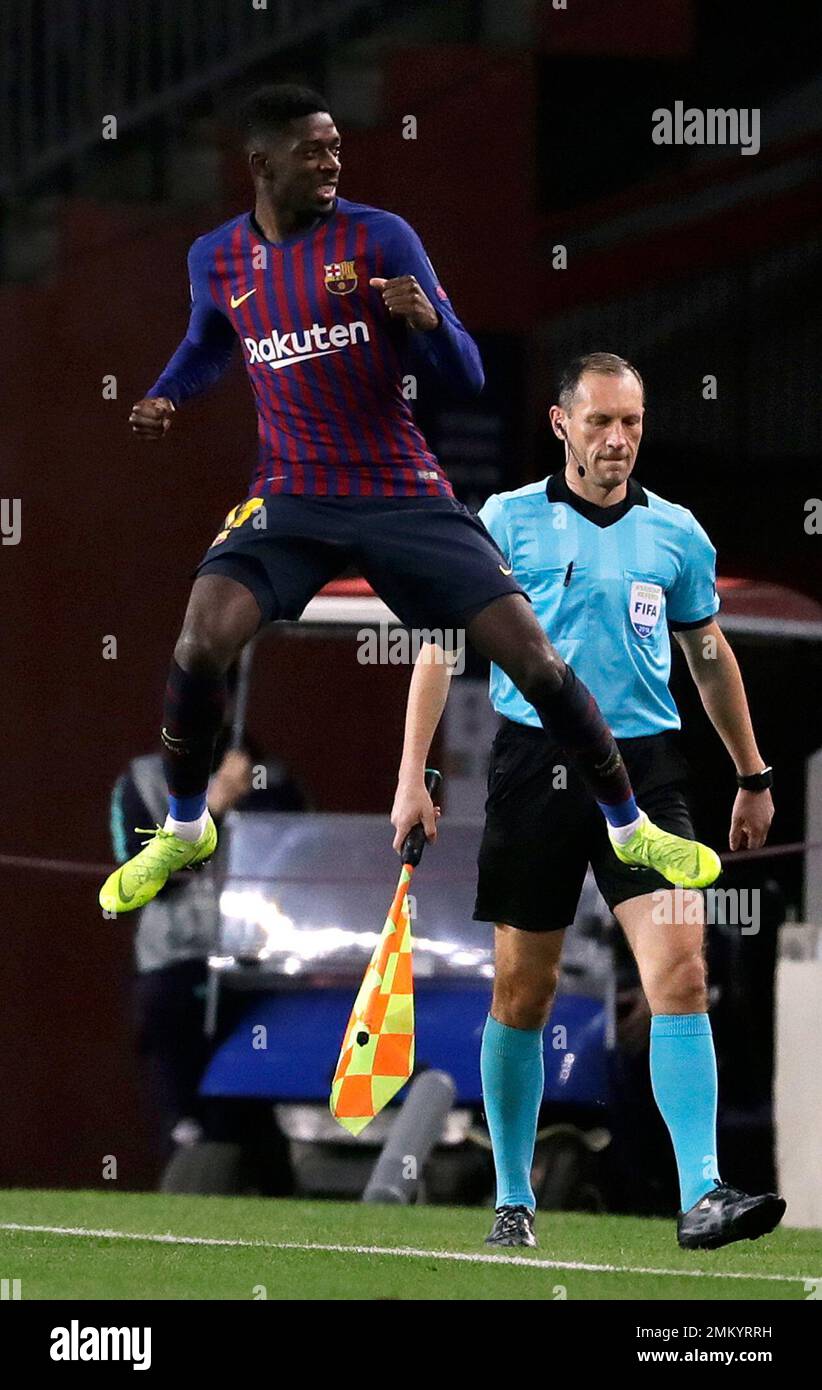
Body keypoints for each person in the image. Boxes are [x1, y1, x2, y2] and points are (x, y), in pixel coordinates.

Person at [99, 85, 720, 919]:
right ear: (260, 164)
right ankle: (184, 825)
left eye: (336, 150)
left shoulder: (380, 237)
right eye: (312, 151)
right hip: (291, 493)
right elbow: (211, 341)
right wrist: (169, 394)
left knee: (533, 658)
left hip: (400, 493)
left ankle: (627, 822)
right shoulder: (216, 258)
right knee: (201, 639)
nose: (331, 162)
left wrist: (428, 320)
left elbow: (466, 373)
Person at [391, 352, 785, 1251]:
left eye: (633, 424)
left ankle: (704, 1193)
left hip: (649, 771)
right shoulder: (503, 522)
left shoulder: (677, 534)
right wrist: (412, 776)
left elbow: (710, 659)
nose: (619, 440)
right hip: (535, 767)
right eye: (602, 422)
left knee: (682, 971)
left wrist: (753, 774)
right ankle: (513, 1201)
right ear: (562, 424)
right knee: (521, 993)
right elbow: (439, 650)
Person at [111, 696, 305, 1184]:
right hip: (172, 969)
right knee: (185, 1123)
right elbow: (141, 881)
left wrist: (248, 783)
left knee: (252, 1120)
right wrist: (214, 802)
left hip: (252, 971)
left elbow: (300, 859)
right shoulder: (141, 782)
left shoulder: (266, 779)